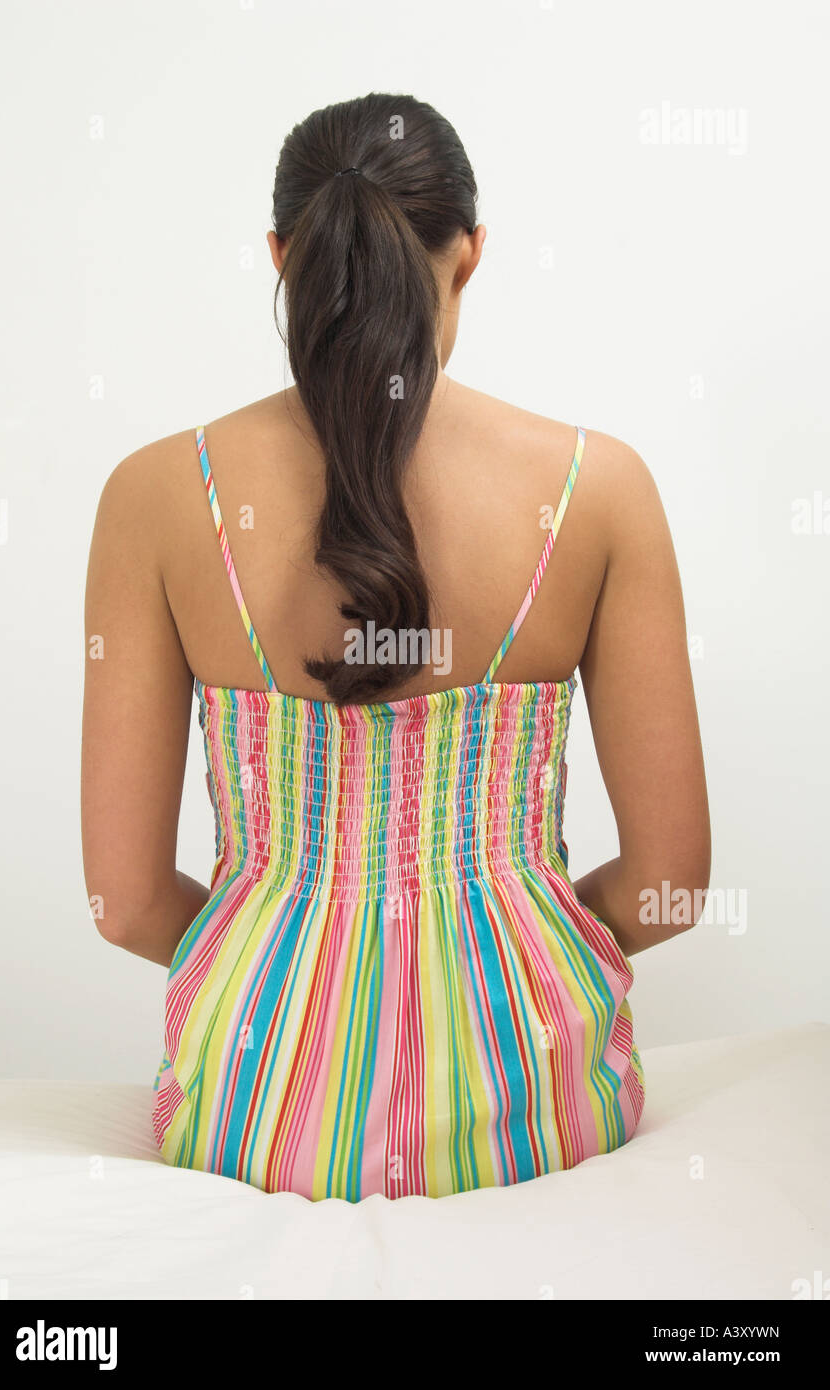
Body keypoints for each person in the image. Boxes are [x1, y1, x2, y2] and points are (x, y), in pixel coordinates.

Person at [81, 93, 710, 1201]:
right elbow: (671, 883)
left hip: (255, 1116)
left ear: (282, 255)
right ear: (469, 254)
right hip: (531, 1107)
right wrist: (507, 919)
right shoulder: (598, 488)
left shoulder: (154, 497)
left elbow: (125, 903)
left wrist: (282, 944)